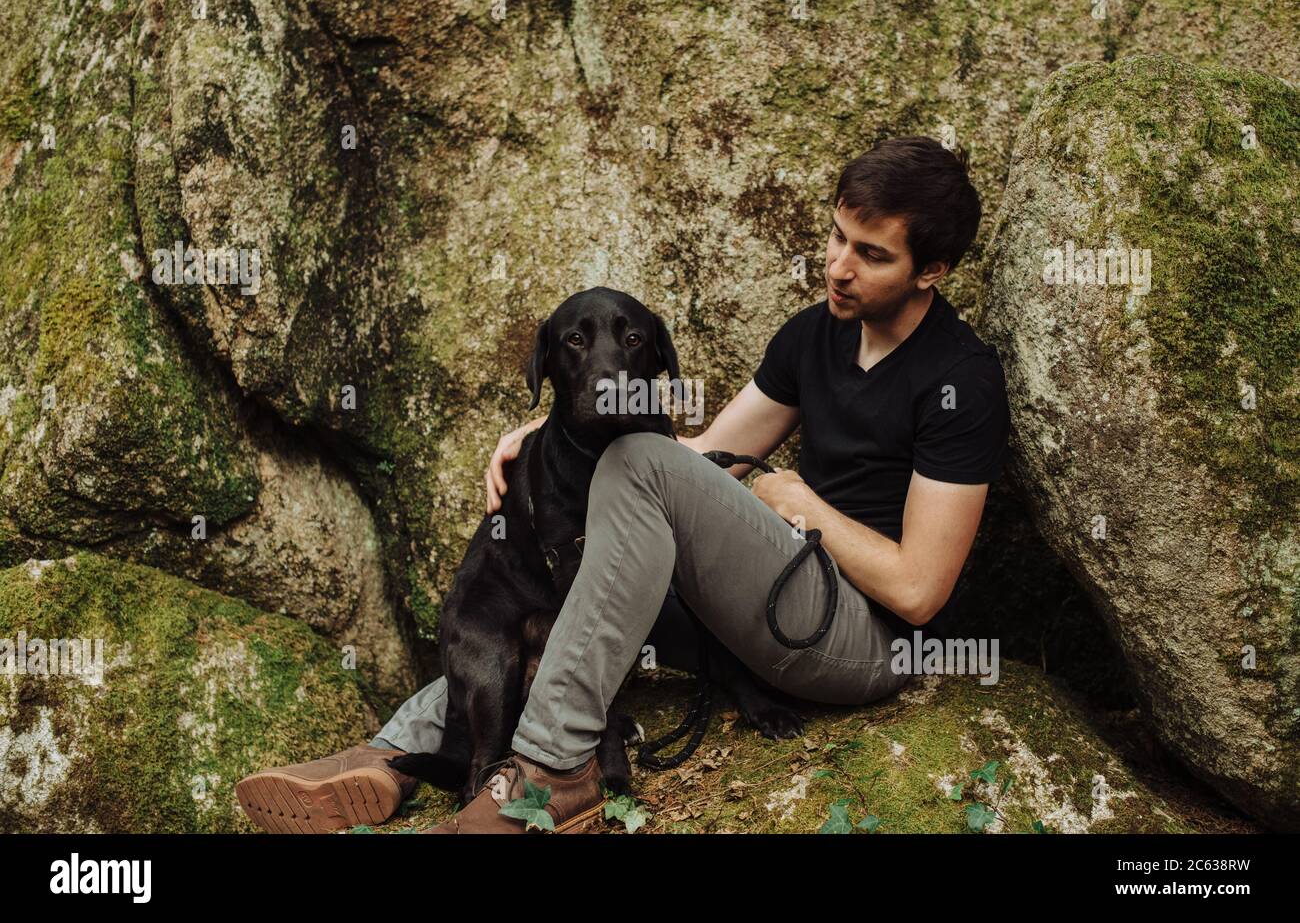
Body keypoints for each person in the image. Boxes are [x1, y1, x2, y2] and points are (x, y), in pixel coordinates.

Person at [235, 135, 1010, 834]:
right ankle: (391, 754)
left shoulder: (960, 380)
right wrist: (544, 435)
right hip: (779, 601)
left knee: (638, 462)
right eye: (838, 236)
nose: (838, 265)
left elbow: (918, 591)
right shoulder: (816, 333)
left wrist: (804, 506)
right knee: (606, 536)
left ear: (932, 271)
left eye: (871, 254)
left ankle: (551, 767)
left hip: (862, 645)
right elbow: (702, 456)